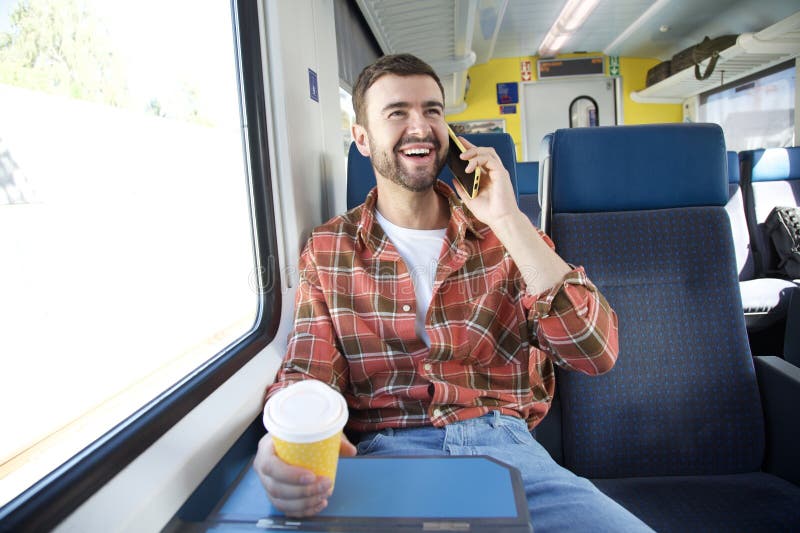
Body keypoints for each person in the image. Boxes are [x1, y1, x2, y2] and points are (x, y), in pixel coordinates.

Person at [253, 53, 652, 532]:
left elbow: (596, 351)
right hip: (387, 457)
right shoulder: (329, 249)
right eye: (397, 112)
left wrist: (507, 218)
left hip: (507, 453)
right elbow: (308, 369)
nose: (420, 127)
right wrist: (282, 437)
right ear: (361, 138)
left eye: (433, 111)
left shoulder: (507, 237)